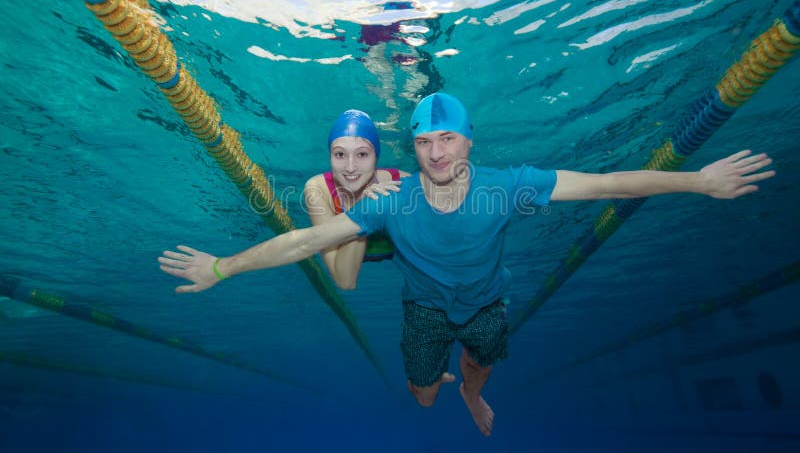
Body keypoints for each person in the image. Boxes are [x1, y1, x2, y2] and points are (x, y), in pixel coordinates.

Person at [159, 92, 775, 437]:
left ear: (469, 140)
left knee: (479, 370)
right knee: (424, 397)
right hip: (424, 312)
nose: (435, 153)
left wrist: (698, 180)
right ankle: (438, 384)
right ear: (412, 148)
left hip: (487, 304)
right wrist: (222, 268)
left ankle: (472, 393)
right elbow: (301, 243)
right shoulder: (390, 201)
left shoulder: (506, 185)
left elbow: (605, 183)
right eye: (424, 141)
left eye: (447, 138)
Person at [303, 110, 408, 289]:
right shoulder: (319, 190)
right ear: (330, 157)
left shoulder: (403, 185)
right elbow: (345, 281)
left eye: (362, 154)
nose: (350, 167)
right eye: (340, 154)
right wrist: (364, 209)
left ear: (376, 158)